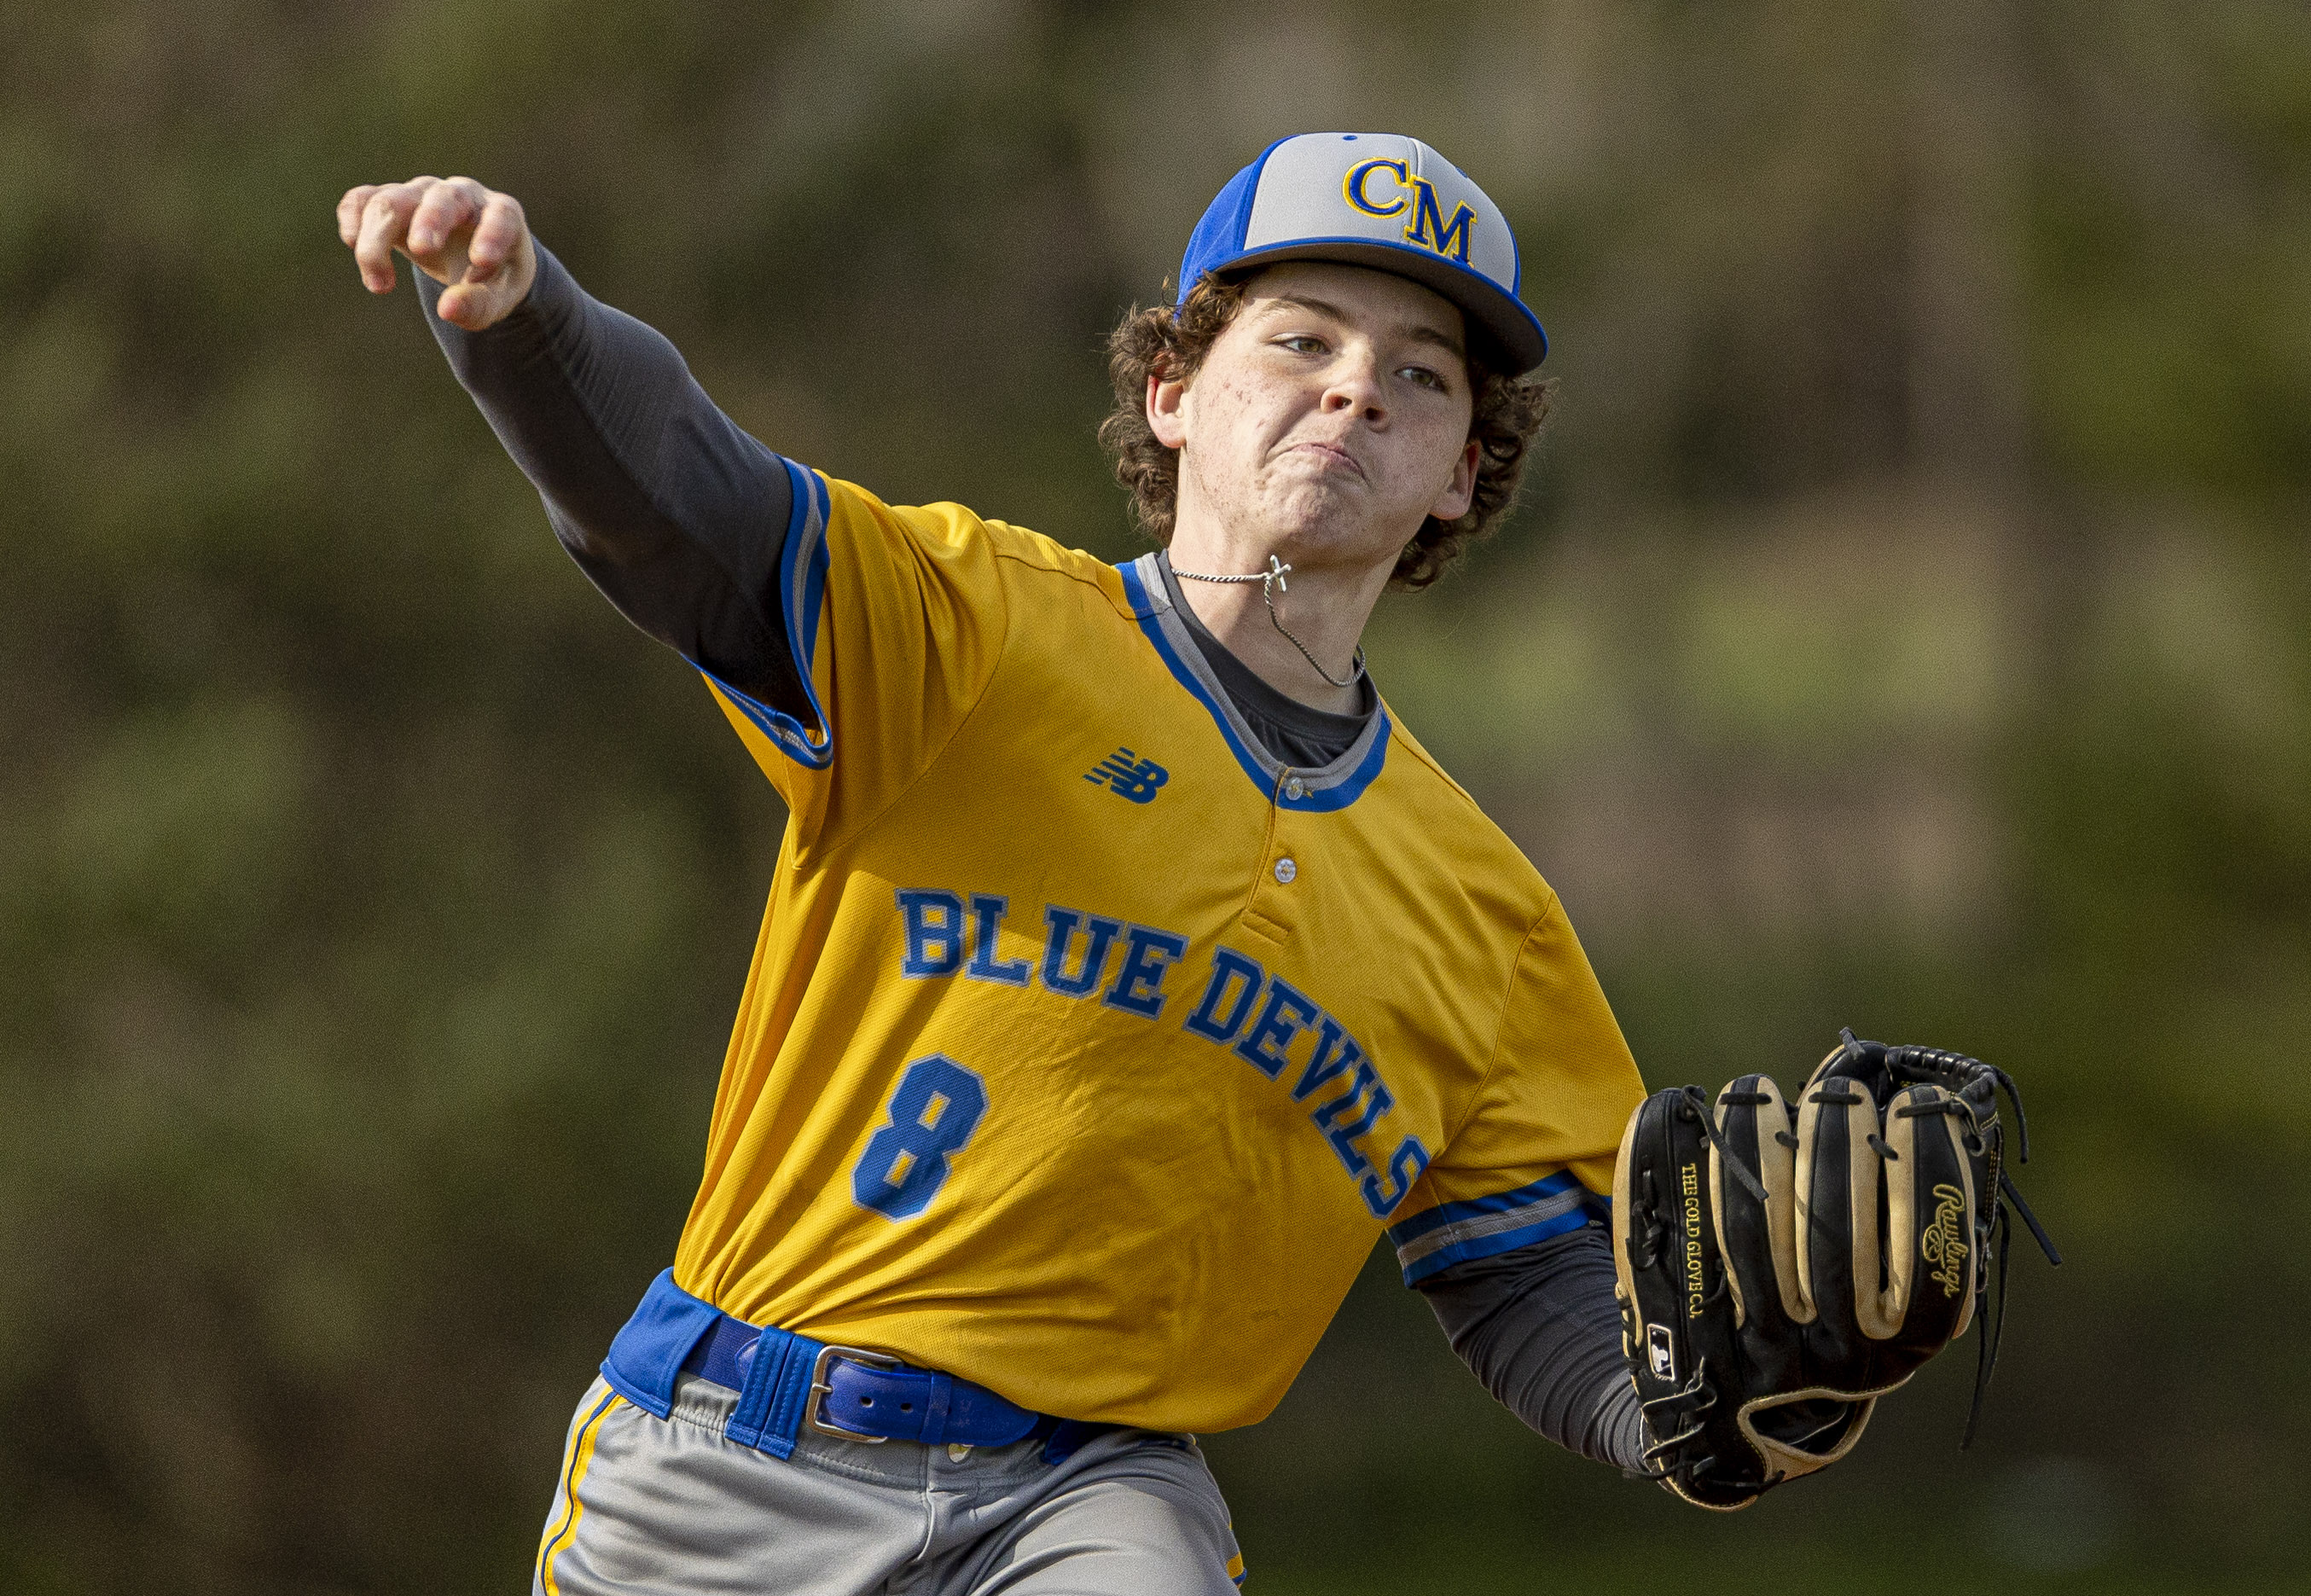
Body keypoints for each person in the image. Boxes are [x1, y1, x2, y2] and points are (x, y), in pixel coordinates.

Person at [340, 134, 1652, 1595]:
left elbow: (1528, 1265)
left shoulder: (1483, 910)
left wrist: (1693, 1413)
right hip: (732, 1453)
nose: (1355, 385)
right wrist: (530, 324)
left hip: (1088, 1496)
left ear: (1463, 474)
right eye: (1299, 338)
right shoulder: (975, 631)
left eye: (1421, 372)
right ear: (1170, 392)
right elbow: (690, 505)